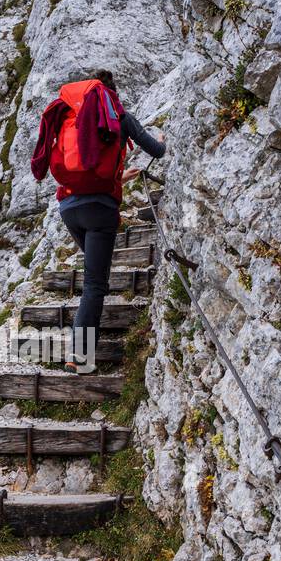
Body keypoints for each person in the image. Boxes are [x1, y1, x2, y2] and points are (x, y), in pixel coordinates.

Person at [31, 70, 166, 373]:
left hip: (68, 208)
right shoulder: (117, 115)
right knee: (94, 285)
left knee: (94, 277)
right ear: (111, 93)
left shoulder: (71, 117)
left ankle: (79, 346)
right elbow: (156, 150)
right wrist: (160, 139)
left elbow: (88, 166)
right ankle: (79, 358)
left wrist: (120, 177)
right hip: (100, 210)